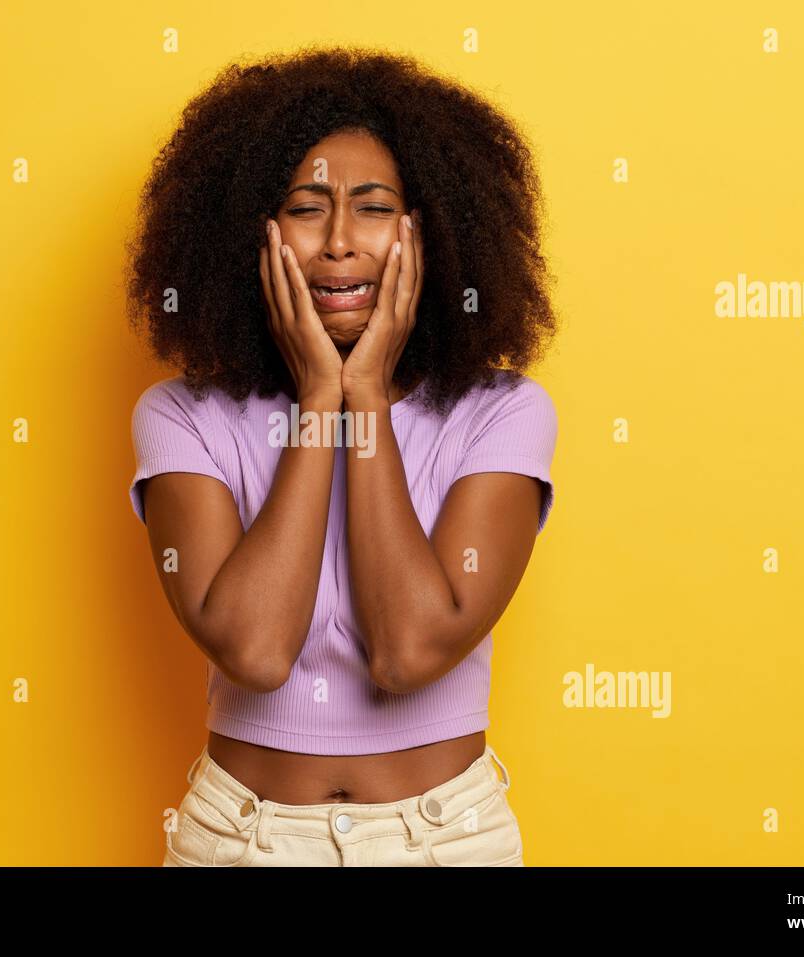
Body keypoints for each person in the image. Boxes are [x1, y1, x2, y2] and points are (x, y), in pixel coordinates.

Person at [124, 46, 560, 866]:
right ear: (251, 232)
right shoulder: (181, 417)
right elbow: (256, 650)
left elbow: (409, 649)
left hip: (446, 840)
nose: (336, 242)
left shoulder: (504, 413)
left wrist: (368, 399)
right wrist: (321, 398)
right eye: (304, 206)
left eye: (372, 207)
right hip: (239, 838)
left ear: (427, 230)